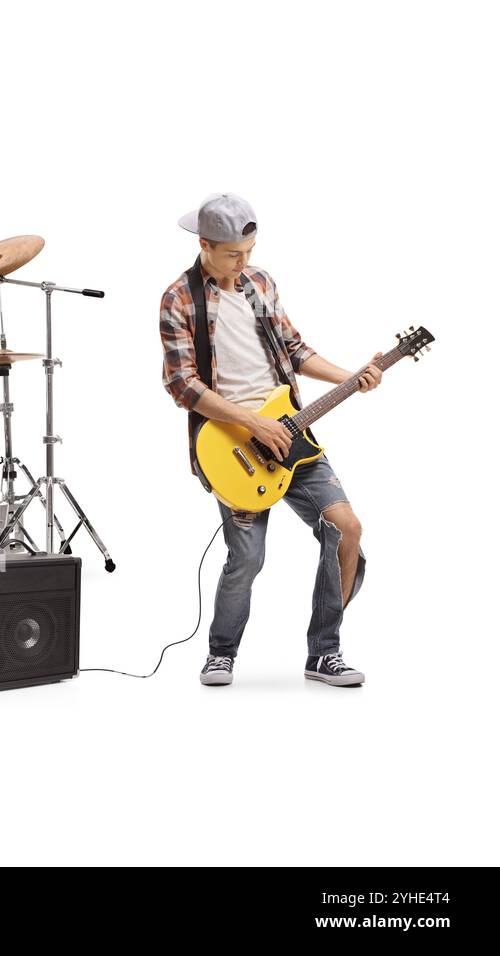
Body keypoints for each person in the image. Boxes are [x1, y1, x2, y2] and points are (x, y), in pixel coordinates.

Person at [160, 193, 381, 687]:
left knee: (345, 528)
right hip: (229, 444)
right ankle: (221, 653)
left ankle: (324, 653)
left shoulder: (260, 283)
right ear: (205, 245)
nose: (245, 263)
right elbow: (182, 385)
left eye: (250, 250)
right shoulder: (180, 298)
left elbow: (295, 350)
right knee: (248, 558)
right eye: (234, 254)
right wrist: (252, 423)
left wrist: (352, 376)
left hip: (292, 431)